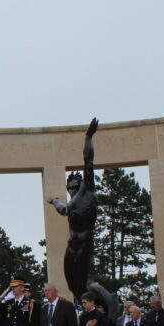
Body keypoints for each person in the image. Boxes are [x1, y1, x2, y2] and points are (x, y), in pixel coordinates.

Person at [46, 117, 99, 300]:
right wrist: (54, 201)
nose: (71, 189)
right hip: (72, 245)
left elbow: (88, 160)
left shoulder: (87, 190)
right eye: (69, 187)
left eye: (73, 186)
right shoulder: (72, 202)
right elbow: (63, 209)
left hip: (84, 243)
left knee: (82, 284)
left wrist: (88, 136)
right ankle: (83, 305)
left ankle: (95, 303)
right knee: (71, 285)